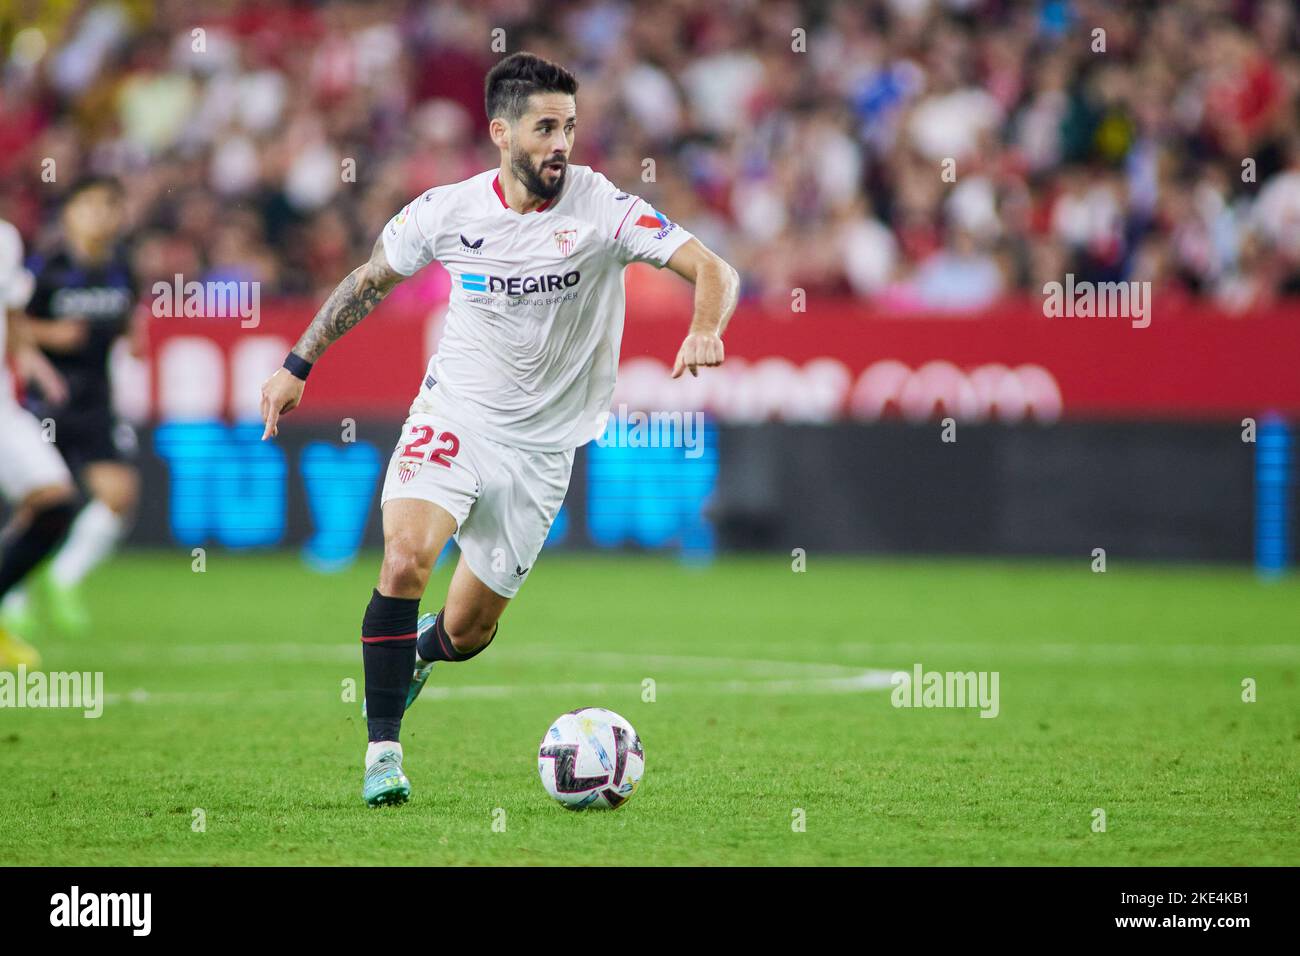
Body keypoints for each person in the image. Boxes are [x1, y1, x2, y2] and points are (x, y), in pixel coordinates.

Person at [259, 52, 738, 806]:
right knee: (405, 560)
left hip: (542, 450)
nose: (562, 144)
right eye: (546, 127)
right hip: (454, 416)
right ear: (500, 132)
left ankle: (415, 652)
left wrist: (704, 327)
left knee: (469, 631)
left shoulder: (602, 207)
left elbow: (713, 267)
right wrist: (298, 363)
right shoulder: (447, 212)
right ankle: (383, 750)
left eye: (570, 128)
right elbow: (367, 282)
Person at [1, 176, 141, 638]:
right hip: (47, 402)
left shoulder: (121, 268)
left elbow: (127, 322)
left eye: (110, 206)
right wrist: (49, 340)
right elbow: (14, 325)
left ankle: (64, 575)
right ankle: (13, 596)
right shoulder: (44, 267)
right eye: (91, 205)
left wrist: (131, 339)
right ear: (70, 213)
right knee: (42, 500)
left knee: (119, 495)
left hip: (96, 401)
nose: (102, 215)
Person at [0, 218, 80, 668]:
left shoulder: (6, 238)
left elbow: (10, 316)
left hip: (2, 410)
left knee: (55, 505)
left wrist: (30, 359)